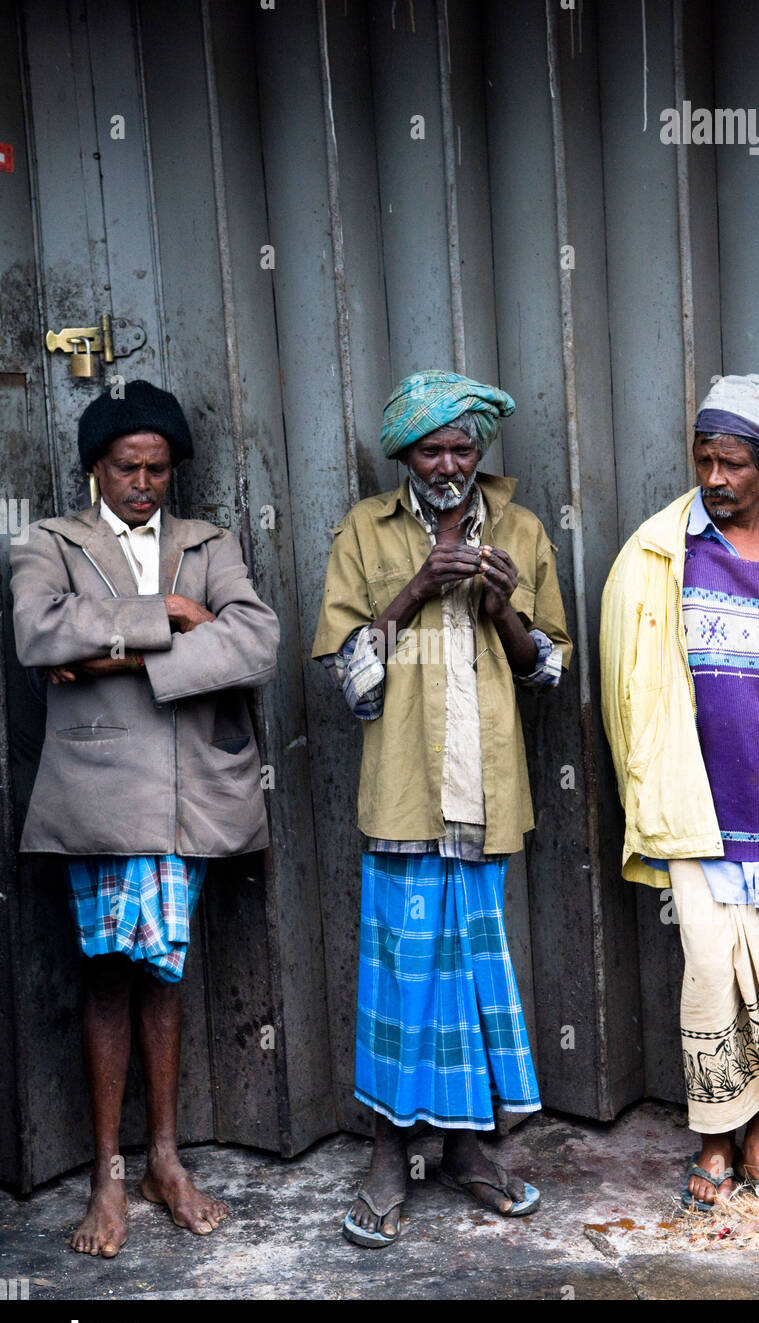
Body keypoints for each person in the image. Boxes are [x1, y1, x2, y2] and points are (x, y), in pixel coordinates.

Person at [10, 379, 279, 1256]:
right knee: (106, 976)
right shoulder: (46, 541)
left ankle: (163, 1158)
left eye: (159, 468)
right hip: (98, 793)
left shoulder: (208, 542)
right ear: (96, 468)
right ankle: (106, 1173)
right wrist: (165, 614)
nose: (144, 483)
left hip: (188, 792)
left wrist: (112, 655)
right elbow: (41, 637)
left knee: (165, 972)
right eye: (127, 466)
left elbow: (257, 643)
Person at [312, 369, 572, 1246]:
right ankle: (388, 1155)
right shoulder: (365, 532)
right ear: (404, 454)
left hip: (487, 800)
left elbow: (548, 671)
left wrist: (503, 608)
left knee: (463, 983)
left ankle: (465, 1151)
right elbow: (352, 679)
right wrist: (417, 586)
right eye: (432, 448)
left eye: (464, 446)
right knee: (400, 983)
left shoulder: (522, 530)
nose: (450, 462)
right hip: (403, 800)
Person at [600, 373, 759, 1215]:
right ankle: (711, 1142)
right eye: (703, 460)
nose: (713, 478)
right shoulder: (658, 555)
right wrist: (648, 800)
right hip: (701, 819)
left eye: (732, 464)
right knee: (711, 981)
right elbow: (626, 694)